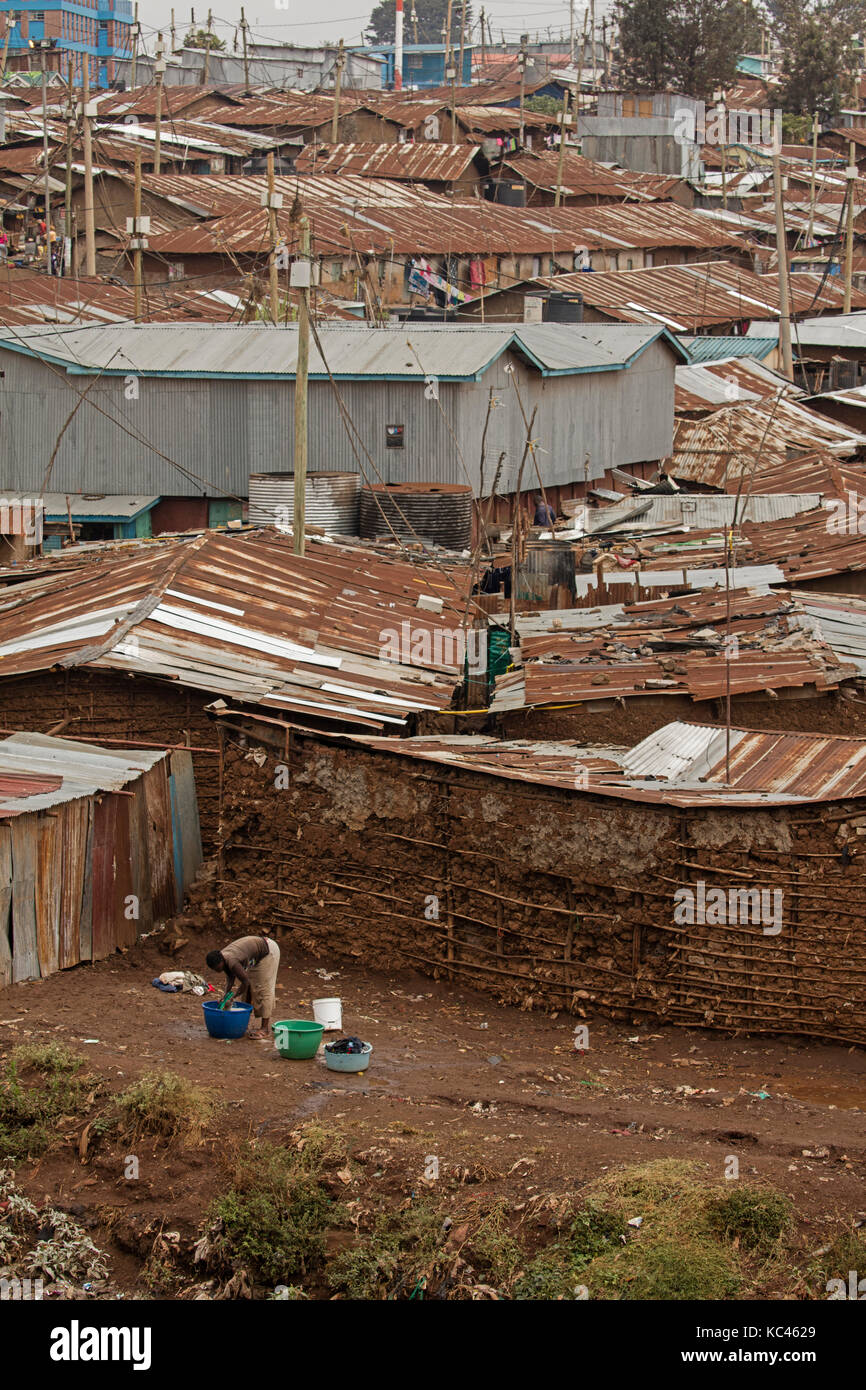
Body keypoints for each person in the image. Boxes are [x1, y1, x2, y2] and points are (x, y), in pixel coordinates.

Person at [205, 934, 280, 1042]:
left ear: (221, 961)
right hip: (257, 953)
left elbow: (245, 982)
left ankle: (264, 1029)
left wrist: (233, 996)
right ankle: (242, 1024)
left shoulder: (232, 961)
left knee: (262, 989)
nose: (217, 971)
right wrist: (226, 995)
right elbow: (230, 977)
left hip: (268, 951)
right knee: (248, 992)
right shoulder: (222, 957)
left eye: (217, 968)